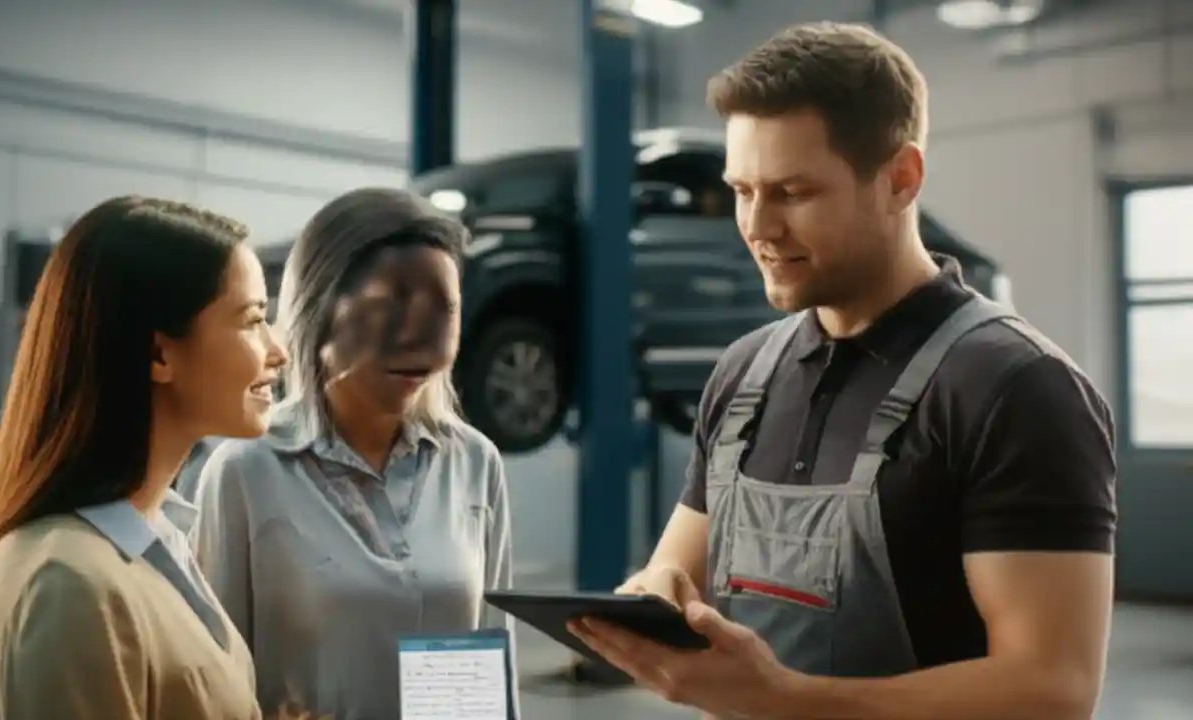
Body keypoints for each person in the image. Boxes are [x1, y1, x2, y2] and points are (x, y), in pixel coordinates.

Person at [568, 21, 1117, 720]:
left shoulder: (1015, 388)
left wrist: (789, 700)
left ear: (900, 178)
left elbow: (1053, 688)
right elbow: (675, 573)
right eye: (742, 190)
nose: (758, 227)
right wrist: (656, 596)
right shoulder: (743, 375)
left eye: (793, 192)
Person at [0, 196, 289, 719]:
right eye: (252, 320)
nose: (276, 349)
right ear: (158, 354)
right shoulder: (69, 582)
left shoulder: (153, 535)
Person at [190, 187, 517, 719]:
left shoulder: (474, 464)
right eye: (393, 305)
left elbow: (487, 683)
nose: (421, 337)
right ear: (318, 310)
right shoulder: (246, 469)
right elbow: (212, 685)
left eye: (444, 308)